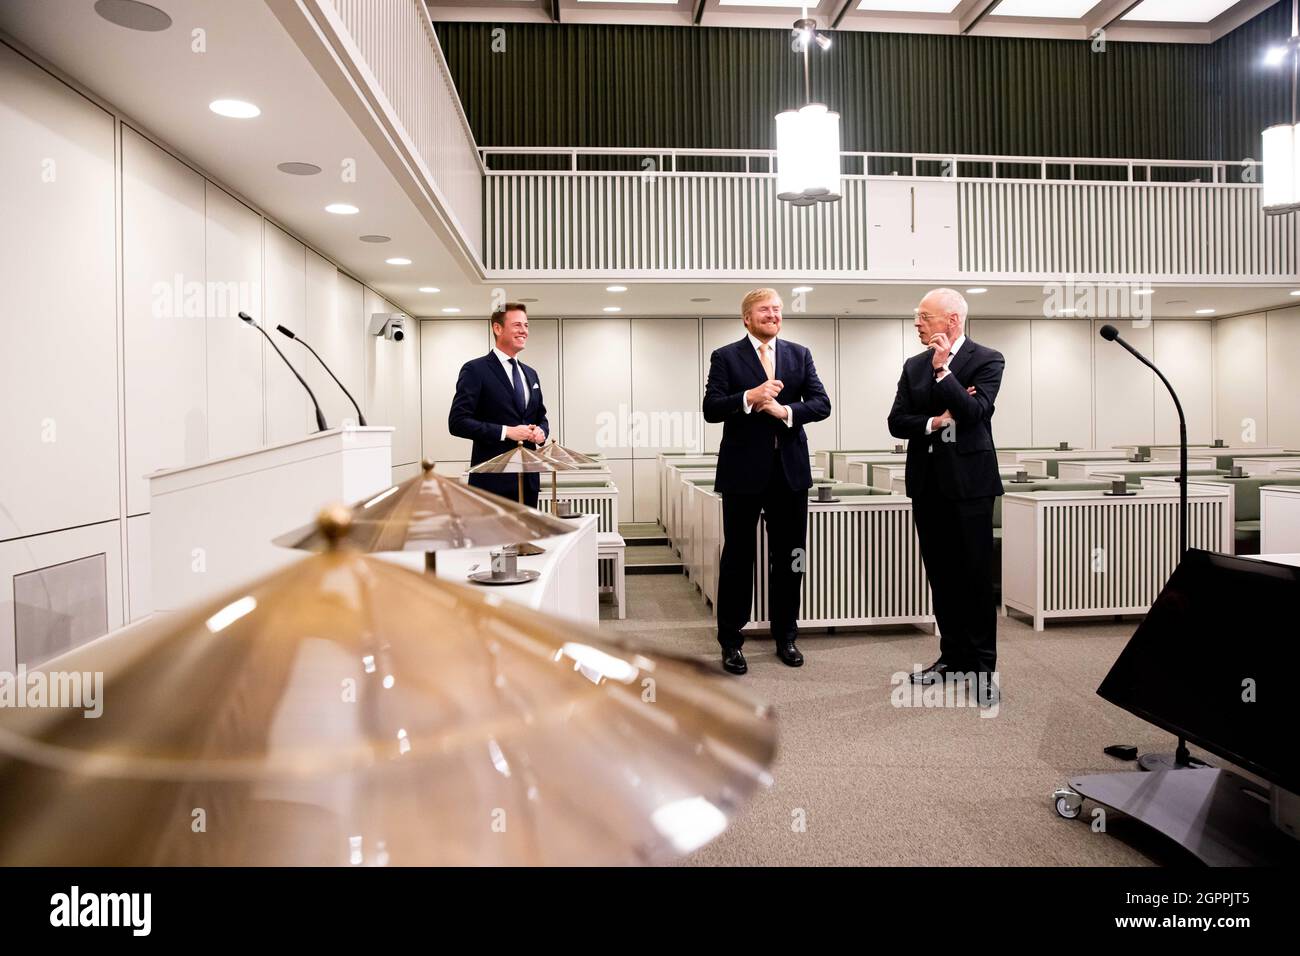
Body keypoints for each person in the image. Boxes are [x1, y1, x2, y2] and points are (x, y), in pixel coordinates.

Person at [703, 288, 831, 675]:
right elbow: (711, 408)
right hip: (743, 472)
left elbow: (821, 403)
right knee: (738, 556)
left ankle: (786, 635)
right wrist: (749, 396)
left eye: (777, 309)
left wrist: (785, 410)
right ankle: (731, 640)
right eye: (765, 310)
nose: (773, 315)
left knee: (791, 557)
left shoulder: (799, 354)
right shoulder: (726, 356)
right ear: (746, 317)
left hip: (790, 472)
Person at [887, 288, 1004, 705]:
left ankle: (983, 669)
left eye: (924, 317)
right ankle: (951, 657)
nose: (917, 323)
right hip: (927, 484)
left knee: (974, 578)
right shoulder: (911, 365)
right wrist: (937, 420)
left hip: (970, 486)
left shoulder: (987, 359)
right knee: (941, 576)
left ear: (951, 320)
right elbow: (897, 422)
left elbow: (975, 414)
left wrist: (943, 373)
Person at [449, 303, 548, 508]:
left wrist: (541, 432)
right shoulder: (475, 369)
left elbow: (540, 416)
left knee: (525, 539)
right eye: (517, 325)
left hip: (528, 480)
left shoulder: (531, 373)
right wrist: (506, 432)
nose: (524, 331)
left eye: (526, 325)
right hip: (492, 482)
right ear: (497, 328)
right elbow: (457, 422)